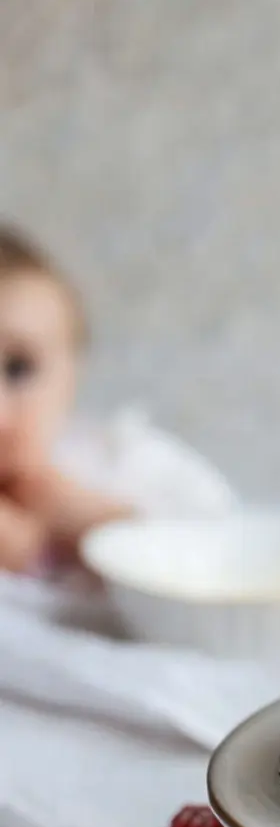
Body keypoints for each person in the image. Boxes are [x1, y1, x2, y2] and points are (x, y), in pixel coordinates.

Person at [0, 226, 130, 571]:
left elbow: (205, 548)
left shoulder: (113, 458)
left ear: (72, 376)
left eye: (17, 369)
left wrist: (106, 527)